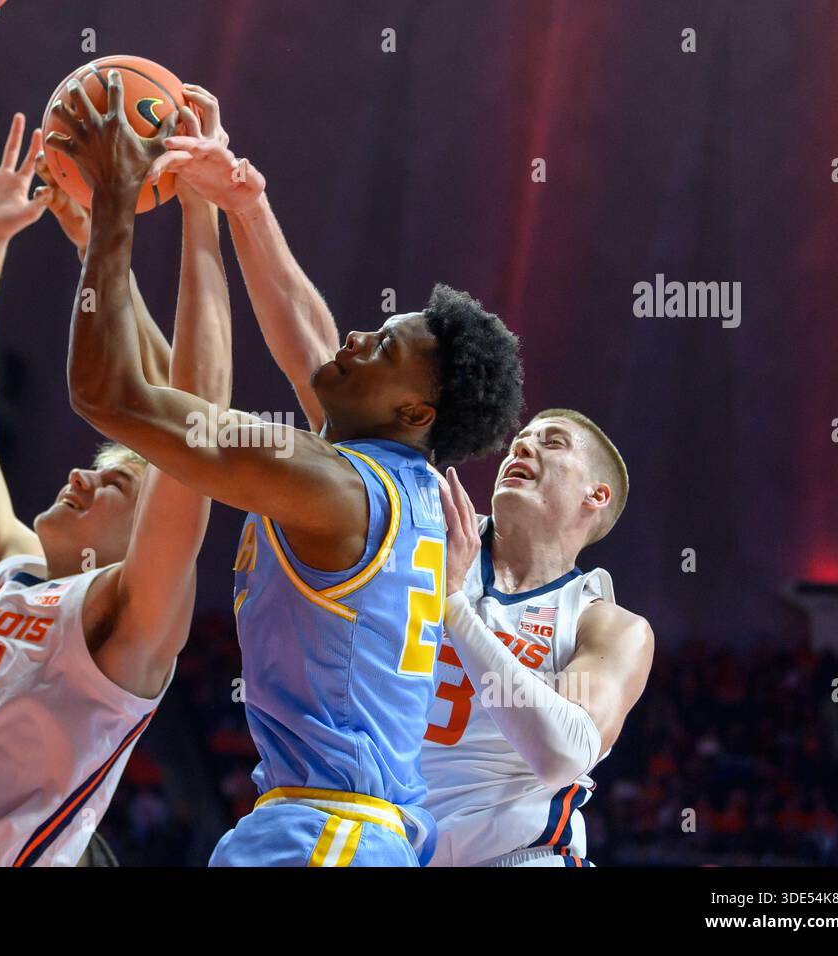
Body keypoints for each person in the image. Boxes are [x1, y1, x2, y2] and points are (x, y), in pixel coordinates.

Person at [47, 76, 523, 866]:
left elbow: (110, 394)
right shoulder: (398, 481)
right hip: (343, 831)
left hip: (325, 841)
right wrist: (237, 198)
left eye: (386, 347)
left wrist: (113, 207)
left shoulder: (333, 488)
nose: (358, 336)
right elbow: (311, 342)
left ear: (413, 411)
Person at [0, 111, 231, 866]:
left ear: (147, 525)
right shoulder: (13, 574)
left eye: (120, 481)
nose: (82, 472)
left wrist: (199, 209)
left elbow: (197, 423)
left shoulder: (130, 623)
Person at [423, 410, 654, 866]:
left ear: (596, 494)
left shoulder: (610, 626)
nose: (521, 446)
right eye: (519, 440)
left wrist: (453, 605)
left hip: (521, 856)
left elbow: (562, 753)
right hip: (388, 848)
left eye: (553, 442)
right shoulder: (434, 531)